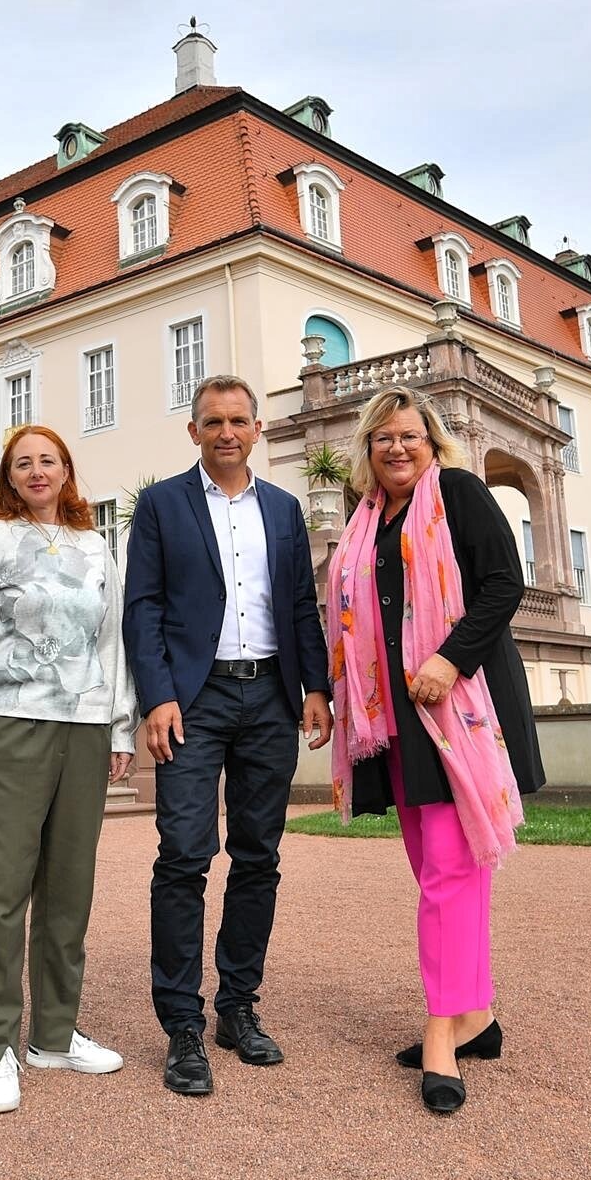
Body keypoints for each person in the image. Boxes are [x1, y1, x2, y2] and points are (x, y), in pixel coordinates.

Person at [325, 387, 547, 1115]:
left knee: (448, 872)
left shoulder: (455, 493)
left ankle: (441, 1037)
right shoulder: (366, 519)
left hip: (456, 707)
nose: (397, 448)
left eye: (410, 436)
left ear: (433, 443)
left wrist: (451, 659)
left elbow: (504, 584)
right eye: (384, 437)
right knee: (440, 866)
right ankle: (476, 1017)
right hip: (395, 718)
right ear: (367, 448)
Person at [121, 375, 333, 1097]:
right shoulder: (160, 505)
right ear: (194, 431)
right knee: (183, 853)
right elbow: (141, 608)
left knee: (258, 855)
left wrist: (315, 687)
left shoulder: (282, 508)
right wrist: (157, 697)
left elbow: (302, 605)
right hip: (195, 696)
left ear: (257, 428)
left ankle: (237, 1007)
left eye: (238, 420)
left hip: (271, 694)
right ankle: (182, 1021)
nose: (226, 432)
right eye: (213, 421)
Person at [0, 425, 137, 1114]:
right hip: (6, 726)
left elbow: (111, 644)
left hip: (82, 729)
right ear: (9, 477)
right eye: (24, 463)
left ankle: (53, 1032)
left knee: (69, 887)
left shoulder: (97, 547)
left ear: (67, 470)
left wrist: (118, 723)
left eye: (48, 460)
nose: (38, 471)